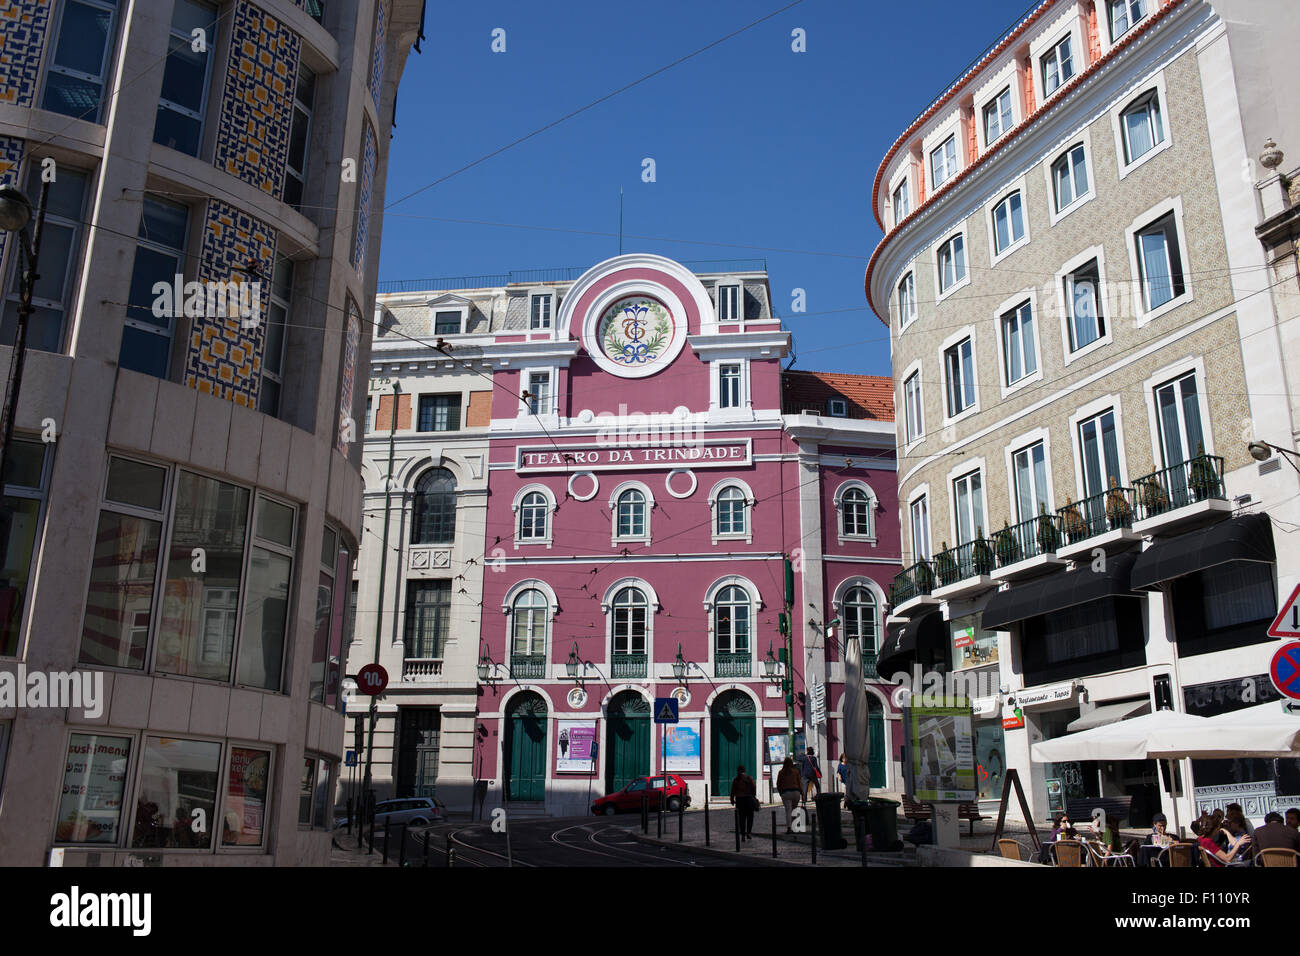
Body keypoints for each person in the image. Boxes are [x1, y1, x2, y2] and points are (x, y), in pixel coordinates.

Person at [730, 764, 757, 840]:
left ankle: (742, 835)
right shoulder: (749, 778)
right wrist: (753, 794)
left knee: (741, 818)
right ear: (745, 771)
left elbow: (732, 791)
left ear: (738, 771)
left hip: (739, 800)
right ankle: (748, 833)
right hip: (748, 799)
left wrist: (732, 800)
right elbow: (754, 787)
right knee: (750, 817)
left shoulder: (736, 780)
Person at [776, 757, 802, 832]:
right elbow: (799, 783)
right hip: (796, 792)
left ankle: (789, 828)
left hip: (786, 793)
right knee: (794, 810)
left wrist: (781, 793)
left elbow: (778, 784)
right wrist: (802, 793)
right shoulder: (796, 771)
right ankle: (794, 827)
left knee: (788, 811)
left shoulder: (781, 772)